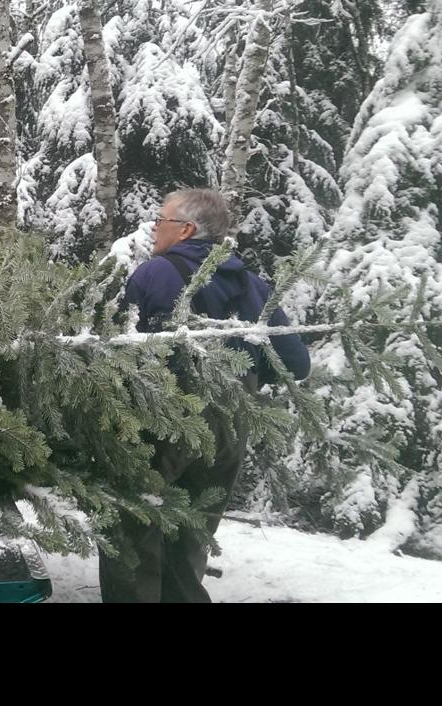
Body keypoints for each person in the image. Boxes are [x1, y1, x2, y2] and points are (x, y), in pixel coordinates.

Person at [102, 188, 311, 603]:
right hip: (233, 420)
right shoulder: (252, 284)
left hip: (163, 413)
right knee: (192, 531)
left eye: (161, 220)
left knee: (131, 525)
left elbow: (124, 352)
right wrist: (243, 372)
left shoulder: (155, 273)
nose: (154, 228)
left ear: (186, 230)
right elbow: (296, 362)